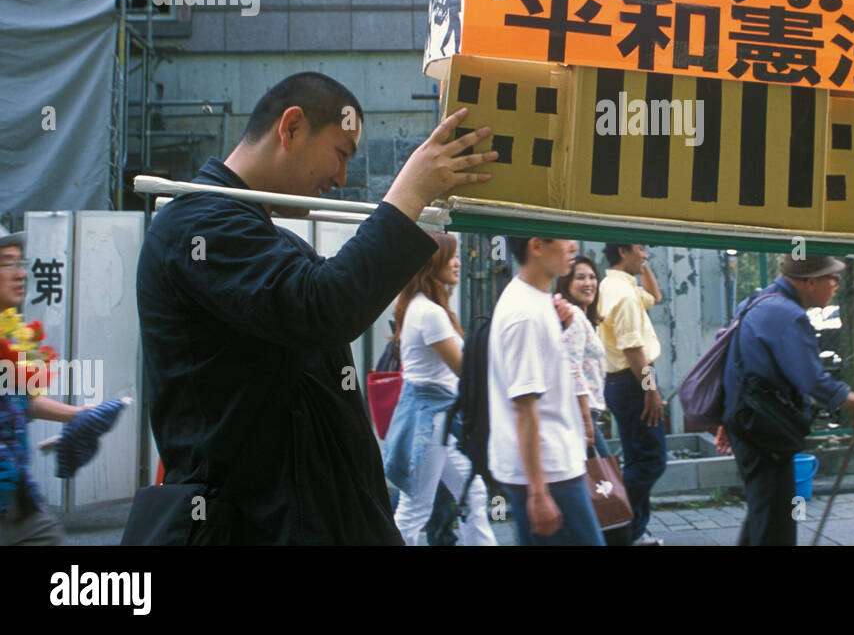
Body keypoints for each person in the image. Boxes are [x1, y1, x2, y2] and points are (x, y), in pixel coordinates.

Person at [136, 72, 497, 544]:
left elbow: (327, 296)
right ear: (291, 128)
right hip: (254, 527)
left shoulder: (258, 235)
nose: (342, 177)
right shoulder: (198, 226)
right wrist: (408, 193)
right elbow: (324, 306)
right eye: (341, 153)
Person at [714, 254, 854, 546]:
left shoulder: (758, 300)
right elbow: (811, 379)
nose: (836, 285)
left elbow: (733, 365)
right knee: (775, 523)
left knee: (764, 511)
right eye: (832, 279)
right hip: (764, 429)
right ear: (811, 282)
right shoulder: (786, 314)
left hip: (748, 422)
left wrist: (726, 417)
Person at [0, 227, 127, 545]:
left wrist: (80, 415)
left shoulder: (10, 335)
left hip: (17, 498)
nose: (20, 275)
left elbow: (18, 401)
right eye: (7, 263)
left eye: (21, 263)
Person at [489, 237, 603, 546]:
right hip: (549, 472)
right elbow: (524, 408)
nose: (574, 248)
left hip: (551, 466)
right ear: (537, 246)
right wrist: (539, 493)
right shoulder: (524, 314)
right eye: (566, 240)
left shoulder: (538, 300)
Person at [384, 233, 496, 546]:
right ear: (432, 263)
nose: (459, 262)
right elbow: (465, 371)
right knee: (414, 510)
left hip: (434, 421)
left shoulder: (420, 307)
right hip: (429, 421)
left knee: (472, 493)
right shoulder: (430, 313)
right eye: (451, 256)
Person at [597, 243, 667, 546]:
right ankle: (616, 525)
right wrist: (650, 390)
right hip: (634, 380)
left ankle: (633, 531)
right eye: (641, 249)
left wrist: (642, 265)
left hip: (623, 381)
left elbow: (656, 297)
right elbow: (633, 349)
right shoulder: (623, 294)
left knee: (638, 459)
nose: (646, 255)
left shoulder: (615, 285)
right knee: (651, 461)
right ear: (623, 251)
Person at [555, 255, 611, 458]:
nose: (588, 283)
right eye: (580, 277)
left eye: (592, 277)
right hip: (630, 387)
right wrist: (649, 388)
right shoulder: (576, 316)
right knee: (647, 460)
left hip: (605, 395)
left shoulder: (635, 296)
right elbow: (639, 355)